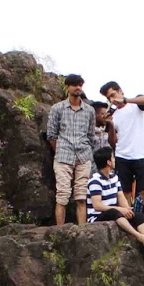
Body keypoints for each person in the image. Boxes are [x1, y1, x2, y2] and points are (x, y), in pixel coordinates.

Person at [88, 147, 144, 256]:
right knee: (114, 212)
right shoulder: (95, 181)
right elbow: (97, 206)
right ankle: (140, 237)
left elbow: (121, 197)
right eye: (113, 158)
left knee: (137, 215)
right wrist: (120, 209)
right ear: (109, 162)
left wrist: (127, 210)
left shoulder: (114, 178)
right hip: (97, 216)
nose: (114, 160)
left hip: (114, 211)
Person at [100, 81, 144, 224]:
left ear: (120, 91)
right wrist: (110, 124)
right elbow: (112, 142)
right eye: (109, 98)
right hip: (122, 156)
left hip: (142, 155)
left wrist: (126, 100)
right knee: (124, 194)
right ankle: (131, 226)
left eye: (113, 95)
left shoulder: (136, 105)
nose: (112, 100)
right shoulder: (114, 114)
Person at [45, 74, 94, 225]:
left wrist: (87, 150)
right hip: (63, 155)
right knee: (62, 196)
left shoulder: (89, 110)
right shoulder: (57, 108)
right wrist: (59, 150)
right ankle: (60, 231)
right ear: (67, 87)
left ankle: (82, 230)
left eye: (80, 84)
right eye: (75, 85)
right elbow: (51, 134)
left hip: (83, 156)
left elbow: (91, 135)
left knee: (81, 196)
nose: (78, 87)